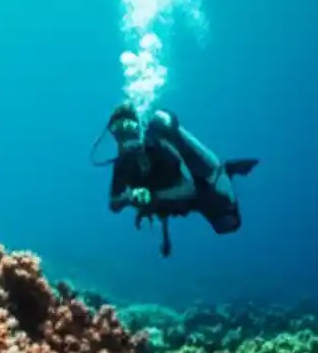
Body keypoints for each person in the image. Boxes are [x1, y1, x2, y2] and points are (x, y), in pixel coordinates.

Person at [91, 102, 260, 257]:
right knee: (224, 224)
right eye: (117, 129)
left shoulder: (160, 147)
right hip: (170, 200)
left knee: (227, 224)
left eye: (129, 126)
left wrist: (152, 196)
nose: (124, 135)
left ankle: (224, 173)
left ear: (139, 127)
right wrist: (131, 197)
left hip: (197, 192)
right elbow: (114, 204)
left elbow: (189, 188)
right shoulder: (122, 164)